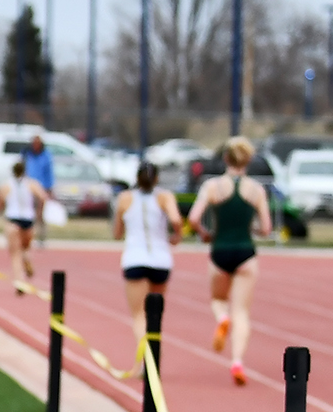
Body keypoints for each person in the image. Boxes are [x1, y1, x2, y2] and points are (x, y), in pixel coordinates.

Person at [187, 136, 271, 387]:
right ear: (247, 161)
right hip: (246, 253)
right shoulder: (256, 190)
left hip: (219, 250)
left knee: (217, 300)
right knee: (242, 312)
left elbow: (193, 218)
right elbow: (266, 228)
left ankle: (222, 319)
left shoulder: (212, 187)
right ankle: (237, 361)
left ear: (225, 159)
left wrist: (204, 233)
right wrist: (252, 228)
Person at [111, 161, 181, 339]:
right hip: (160, 260)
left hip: (135, 259)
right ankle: (154, 357)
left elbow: (117, 234)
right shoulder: (165, 197)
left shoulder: (125, 198)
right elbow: (176, 219)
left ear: (137, 178)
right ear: (156, 179)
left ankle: (144, 361)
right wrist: (176, 236)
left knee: (139, 316)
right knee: (155, 316)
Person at [0, 159, 46, 293]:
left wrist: (0, 208)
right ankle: (27, 261)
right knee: (25, 249)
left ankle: (20, 282)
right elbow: (43, 197)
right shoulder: (31, 184)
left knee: (15, 254)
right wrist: (39, 212)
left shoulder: (6, 186)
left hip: (13, 220)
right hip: (28, 220)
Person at [21, 134, 55, 247]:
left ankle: (41, 237)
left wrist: (49, 189)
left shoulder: (46, 156)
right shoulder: (27, 154)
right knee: (28, 213)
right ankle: (28, 237)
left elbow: (49, 173)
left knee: (40, 213)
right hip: (28, 186)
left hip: (42, 187)